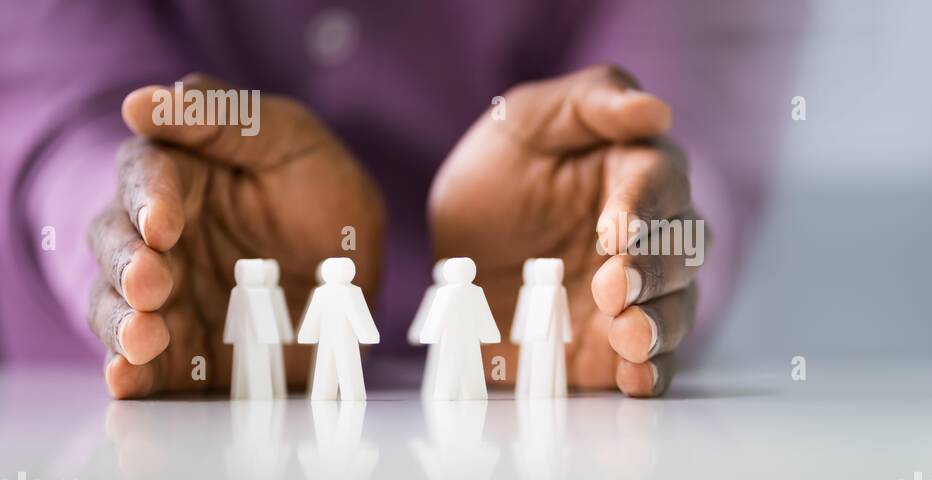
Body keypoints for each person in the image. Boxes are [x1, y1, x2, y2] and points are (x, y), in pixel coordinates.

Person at [0, 1, 804, 398]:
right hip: (100, 420)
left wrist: (623, 217)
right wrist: (133, 229)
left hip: (526, 406)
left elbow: (678, 123)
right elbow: (51, 99)